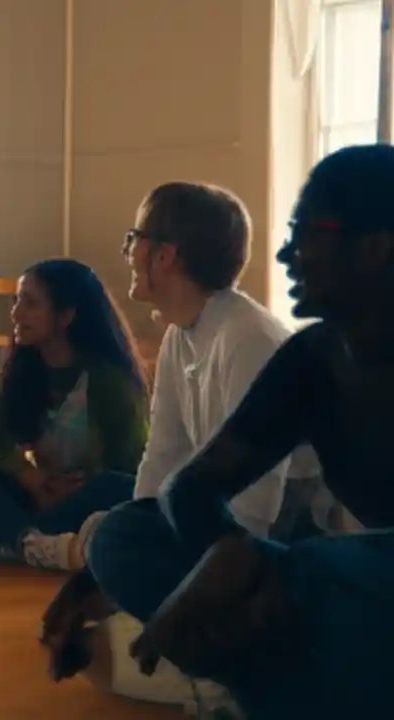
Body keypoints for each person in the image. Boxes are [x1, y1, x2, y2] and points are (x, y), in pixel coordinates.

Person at [42, 144, 394, 719]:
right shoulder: (311, 356)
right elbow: (181, 479)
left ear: (378, 246)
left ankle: (243, 672)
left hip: (329, 562)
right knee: (118, 535)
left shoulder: (251, 337)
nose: (285, 253)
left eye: (306, 233)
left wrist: (236, 567)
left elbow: (261, 510)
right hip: (299, 568)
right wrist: (111, 576)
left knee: (316, 575)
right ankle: (260, 674)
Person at [0, 258, 149, 570]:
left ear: (65, 316)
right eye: (17, 301)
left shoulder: (109, 381)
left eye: (30, 303)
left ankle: (7, 538)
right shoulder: (22, 371)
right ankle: (33, 543)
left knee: (117, 489)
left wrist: (76, 489)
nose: (16, 314)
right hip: (40, 494)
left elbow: (131, 469)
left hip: (88, 499)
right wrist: (35, 482)